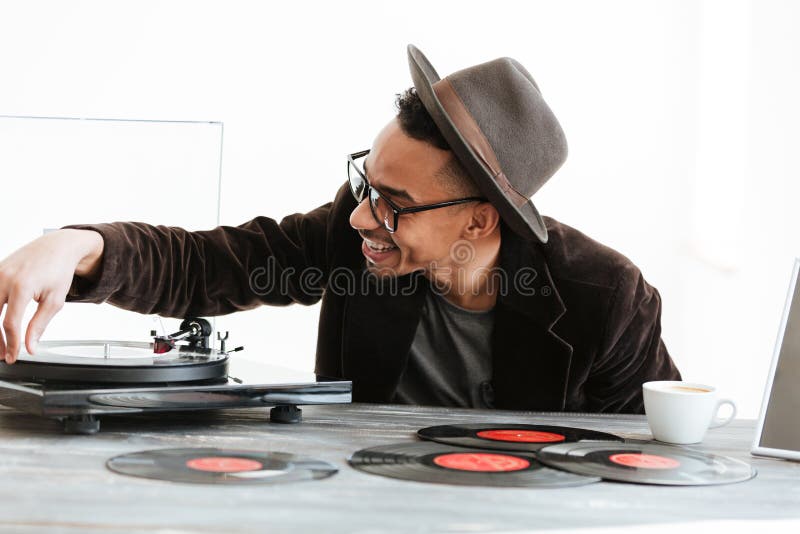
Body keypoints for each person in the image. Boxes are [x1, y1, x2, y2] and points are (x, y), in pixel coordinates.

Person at [0, 45, 680, 412]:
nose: (361, 216)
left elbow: (649, 456)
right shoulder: (354, 236)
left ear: (480, 218)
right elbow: (212, 265)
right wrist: (79, 246)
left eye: (393, 201)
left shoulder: (608, 298)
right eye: (365, 182)